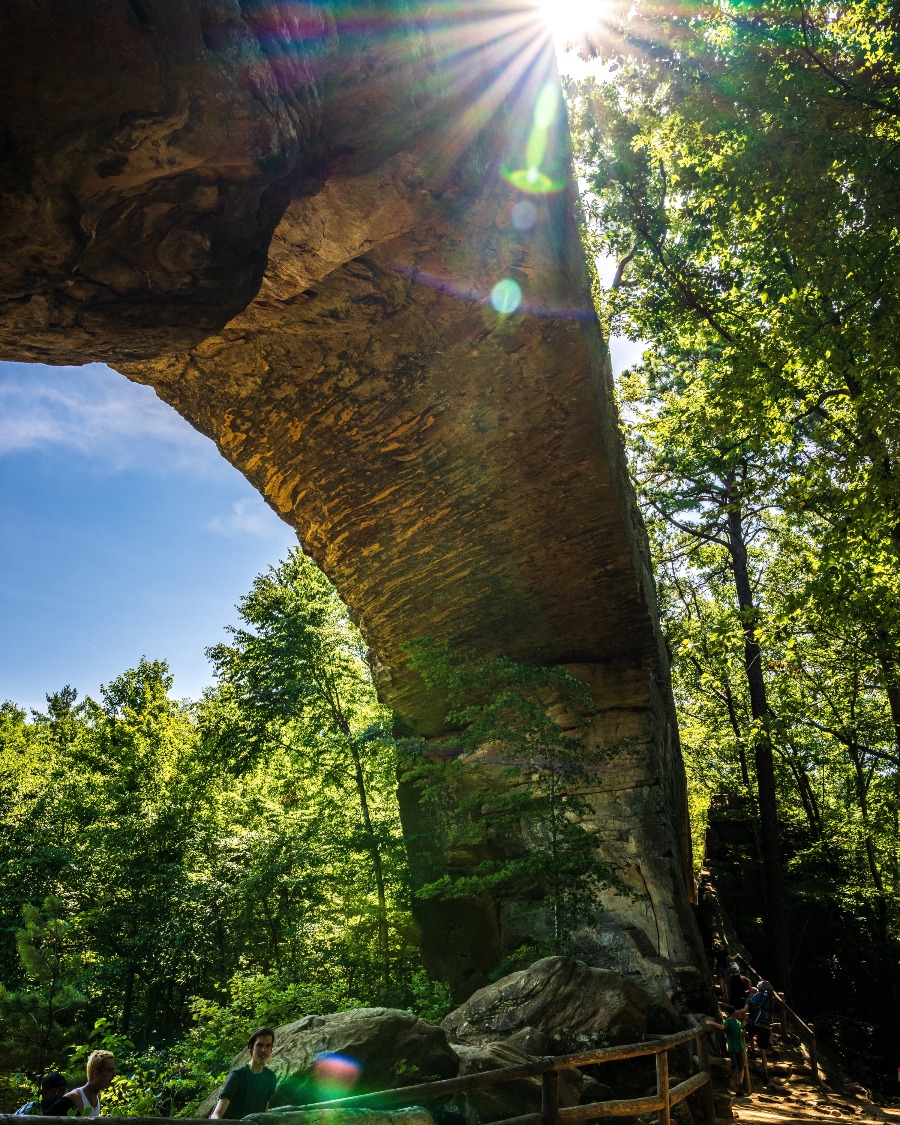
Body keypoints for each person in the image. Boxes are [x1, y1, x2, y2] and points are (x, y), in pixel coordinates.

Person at [211, 1027, 277, 1119]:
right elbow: (217, 1114)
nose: (264, 1050)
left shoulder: (270, 1077)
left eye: (268, 1046)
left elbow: (264, 1111)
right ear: (251, 1047)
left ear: (271, 1049)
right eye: (259, 1045)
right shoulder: (238, 1076)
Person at [48, 1051, 116, 1117]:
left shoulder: (97, 1096)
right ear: (96, 1074)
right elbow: (47, 1118)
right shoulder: (74, 1098)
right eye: (109, 1071)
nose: (114, 1075)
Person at [708, 1005, 745, 1095]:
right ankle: (740, 1082)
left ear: (727, 1013)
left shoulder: (728, 1021)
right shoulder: (738, 1022)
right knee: (741, 1066)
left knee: (734, 1066)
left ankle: (735, 1083)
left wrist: (712, 1023)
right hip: (740, 1046)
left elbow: (722, 1027)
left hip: (732, 1046)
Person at [747, 980, 777, 1083]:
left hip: (756, 1022)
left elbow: (752, 1005)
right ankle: (765, 1072)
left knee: (750, 1035)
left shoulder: (758, 995)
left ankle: (753, 1052)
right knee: (763, 1050)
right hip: (766, 1025)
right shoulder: (771, 998)